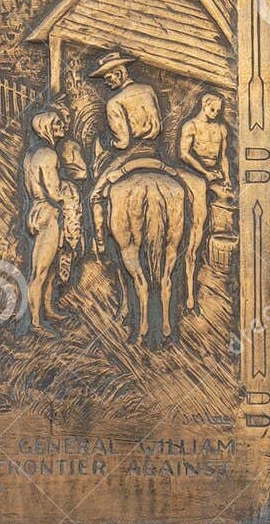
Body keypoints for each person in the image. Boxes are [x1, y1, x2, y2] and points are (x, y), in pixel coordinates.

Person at [87, 51, 163, 249]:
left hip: (131, 155)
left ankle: (100, 244)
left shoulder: (114, 103)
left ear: (120, 73)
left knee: (95, 196)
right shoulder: (148, 90)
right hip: (154, 152)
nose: (106, 82)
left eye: (108, 77)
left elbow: (123, 142)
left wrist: (110, 145)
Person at [23, 107, 82, 329]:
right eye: (56, 123)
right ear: (45, 127)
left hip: (41, 210)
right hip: (48, 213)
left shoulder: (32, 153)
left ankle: (48, 310)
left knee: (50, 269)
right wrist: (71, 188)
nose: (62, 127)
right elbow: (54, 193)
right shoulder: (48, 154)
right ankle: (36, 323)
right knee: (40, 271)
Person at [177, 90, 230, 292]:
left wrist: (226, 178)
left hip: (214, 174)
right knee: (198, 209)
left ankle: (217, 255)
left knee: (229, 200)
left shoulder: (221, 128)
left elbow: (223, 157)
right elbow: (184, 154)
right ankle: (192, 251)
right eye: (213, 109)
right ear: (204, 104)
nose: (216, 113)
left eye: (218, 110)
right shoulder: (190, 126)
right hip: (193, 173)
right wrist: (205, 172)